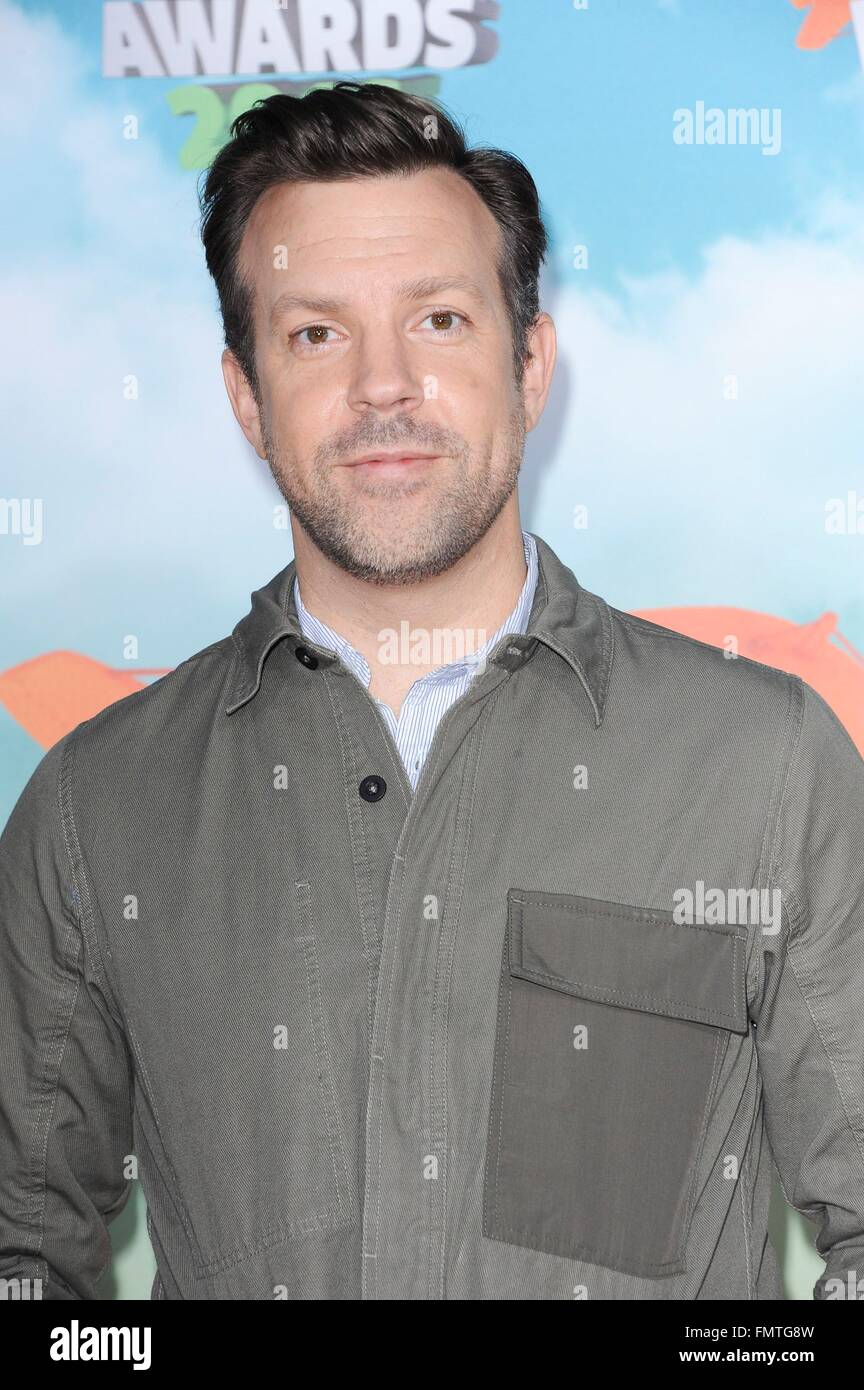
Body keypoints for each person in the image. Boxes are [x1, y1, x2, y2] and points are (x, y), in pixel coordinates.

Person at [1, 82, 862, 1302]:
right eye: (316, 334)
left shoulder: (767, 766)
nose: (383, 386)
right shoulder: (93, 810)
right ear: (247, 396)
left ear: (530, 364)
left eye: (441, 319)